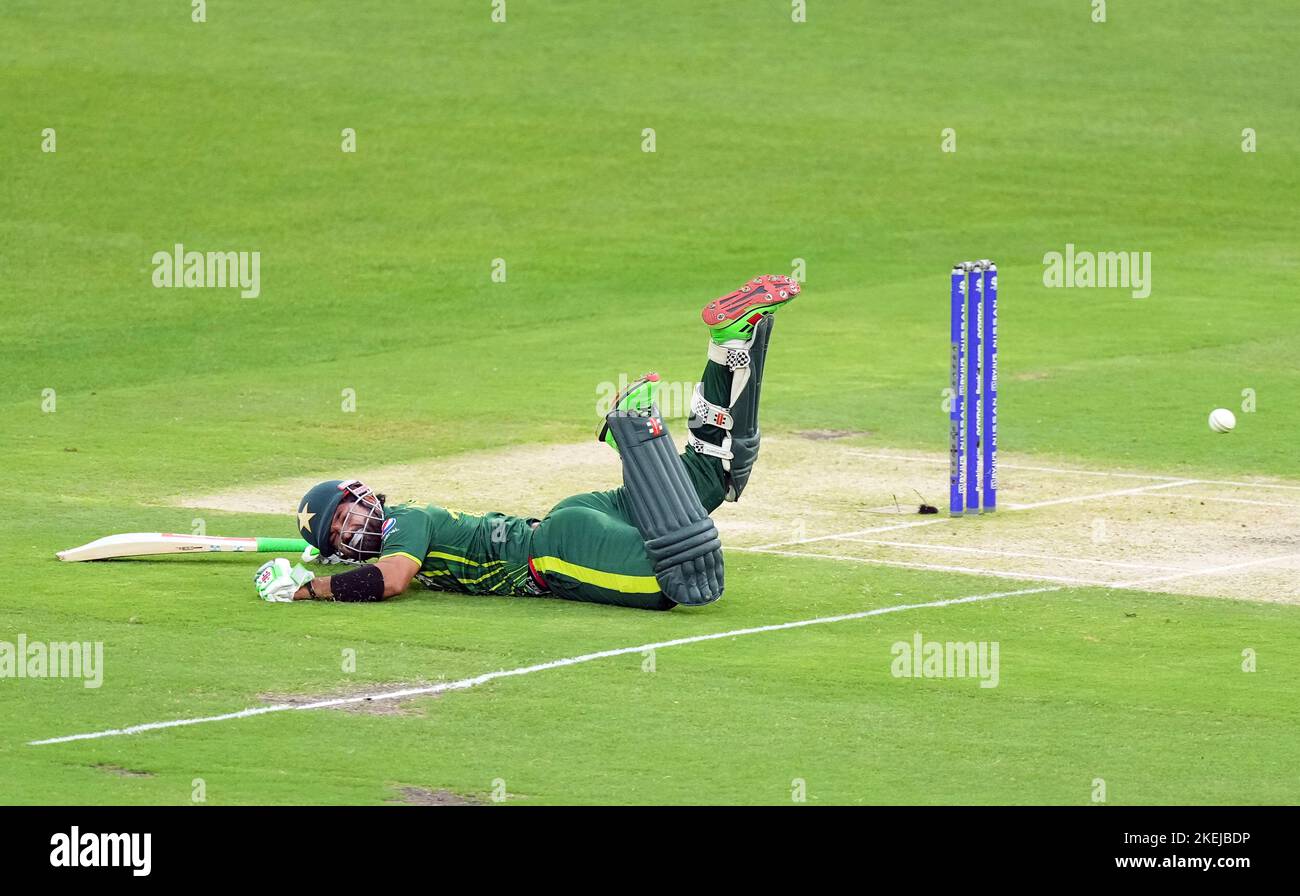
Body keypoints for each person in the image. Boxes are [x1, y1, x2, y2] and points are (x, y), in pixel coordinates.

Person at [254, 275, 800, 610]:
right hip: (573, 522)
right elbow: (380, 570)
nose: (354, 525)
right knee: (715, 476)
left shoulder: (404, 523)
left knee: (680, 582)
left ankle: (634, 432)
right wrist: (321, 565)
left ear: (366, 495)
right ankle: (730, 343)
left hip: (557, 551)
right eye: (342, 531)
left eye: (348, 512)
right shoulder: (402, 532)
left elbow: (392, 579)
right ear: (338, 550)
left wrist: (308, 589)